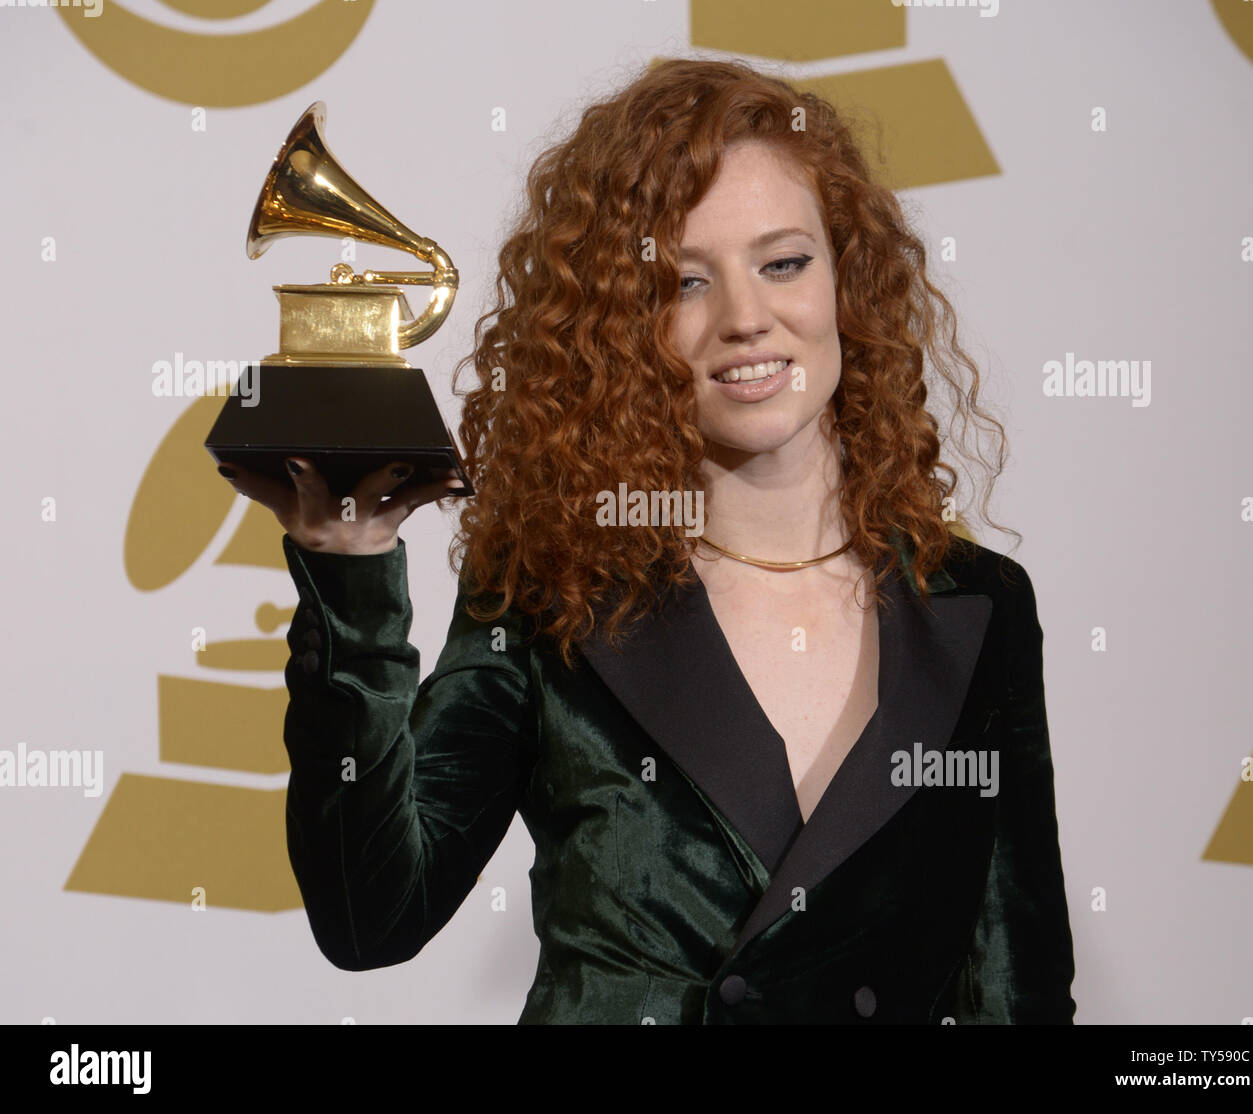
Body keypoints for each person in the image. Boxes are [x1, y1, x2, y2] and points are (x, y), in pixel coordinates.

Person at [217, 57, 1076, 1024]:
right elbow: (373, 915)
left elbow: (1020, 992)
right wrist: (353, 574)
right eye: (685, 282)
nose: (746, 318)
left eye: (784, 263)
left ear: (850, 278)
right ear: (623, 326)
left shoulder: (980, 604)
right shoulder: (548, 594)